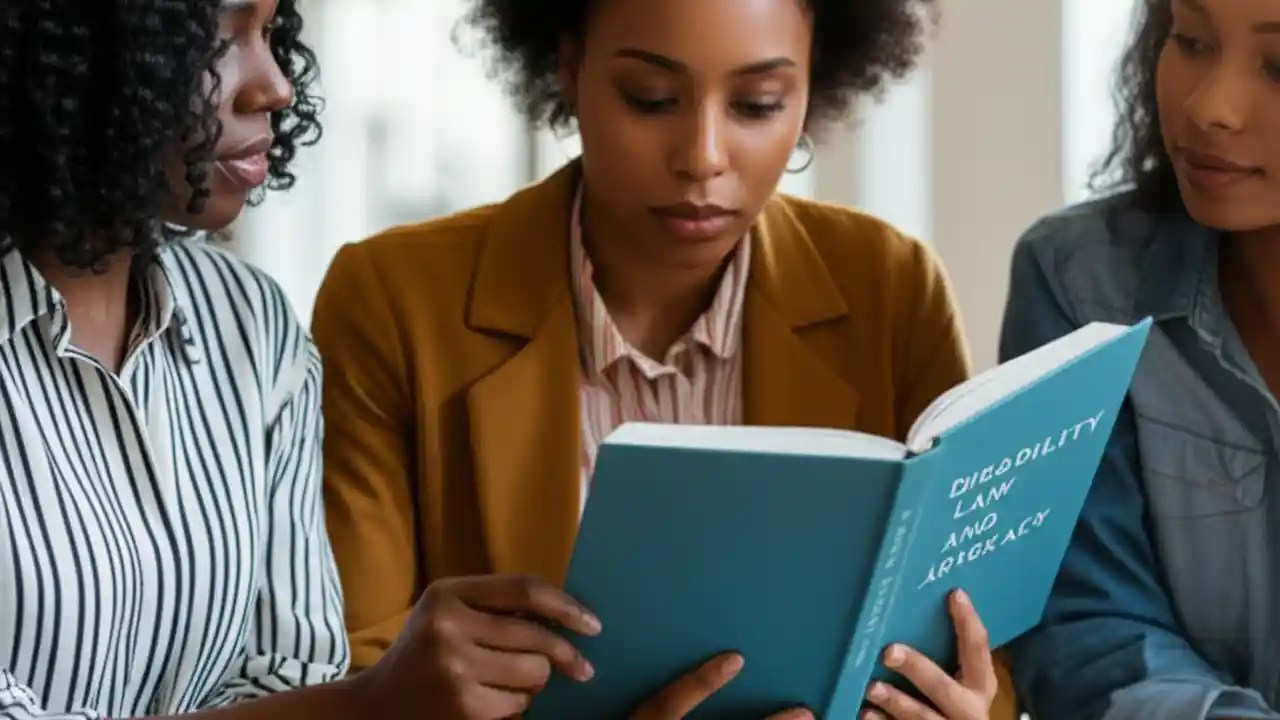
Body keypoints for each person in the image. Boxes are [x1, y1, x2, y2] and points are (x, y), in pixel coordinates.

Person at [313, 0, 1016, 718]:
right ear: (567, 65)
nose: (703, 156)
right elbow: (351, 672)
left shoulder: (892, 290)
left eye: (758, 104)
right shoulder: (394, 300)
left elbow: (974, 644)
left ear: (814, 85)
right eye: (650, 100)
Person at [0, 1, 538, 718]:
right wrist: (367, 705)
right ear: (59, 52)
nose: (276, 85)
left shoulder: (254, 330)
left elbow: (289, 671)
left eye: (271, 31)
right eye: (220, 37)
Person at [1002, 0, 1280, 718]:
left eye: (1279, 67)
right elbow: (1083, 624)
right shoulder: (1077, 282)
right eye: (1189, 40)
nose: (1207, 106)